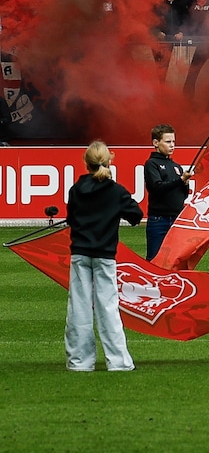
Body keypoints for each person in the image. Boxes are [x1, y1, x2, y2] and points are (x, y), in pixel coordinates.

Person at [65, 140, 142, 372]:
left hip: (80, 252)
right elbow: (136, 215)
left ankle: (79, 362)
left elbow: (71, 219)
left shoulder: (76, 189)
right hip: (105, 254)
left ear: (86, 163)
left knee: (78, 307)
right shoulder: (116, 191)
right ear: (109, 161)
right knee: (108, 307)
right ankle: (118, 361)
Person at [143, 123, 191, 262]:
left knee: (175, 261)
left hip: (176, 219)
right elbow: (156, 187)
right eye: (168, 141)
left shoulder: (176, 166)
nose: (172, 145)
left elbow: (183, 195)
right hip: (159, 220)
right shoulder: (151, 164)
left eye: (174, 142)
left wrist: (184, 183)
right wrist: (180, 180)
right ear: (156, 143)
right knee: (154, 260)